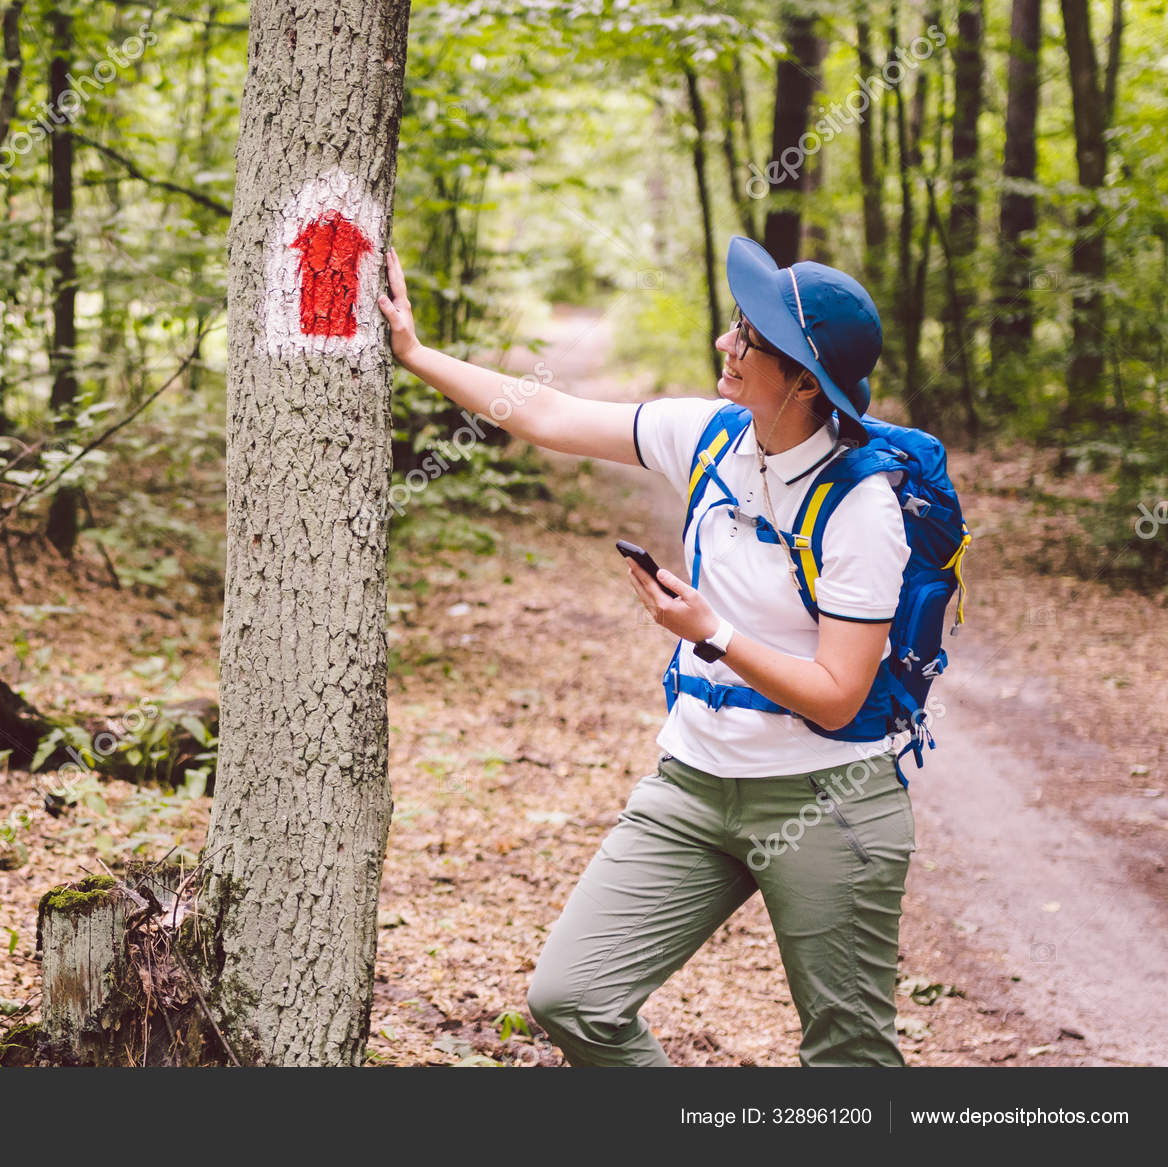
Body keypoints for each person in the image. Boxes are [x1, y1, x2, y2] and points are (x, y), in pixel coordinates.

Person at [376, 235, 915, 1066]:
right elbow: (548, 414)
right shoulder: (709, 436)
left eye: (749, 338)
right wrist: (415, 353)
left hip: (826, 800)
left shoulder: (863, 510)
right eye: (736, 324)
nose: (724, 344)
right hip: (694, 786)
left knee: (849, 1058)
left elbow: (840, 693)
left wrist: (715, 635)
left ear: (806, 383)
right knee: (573, 998)